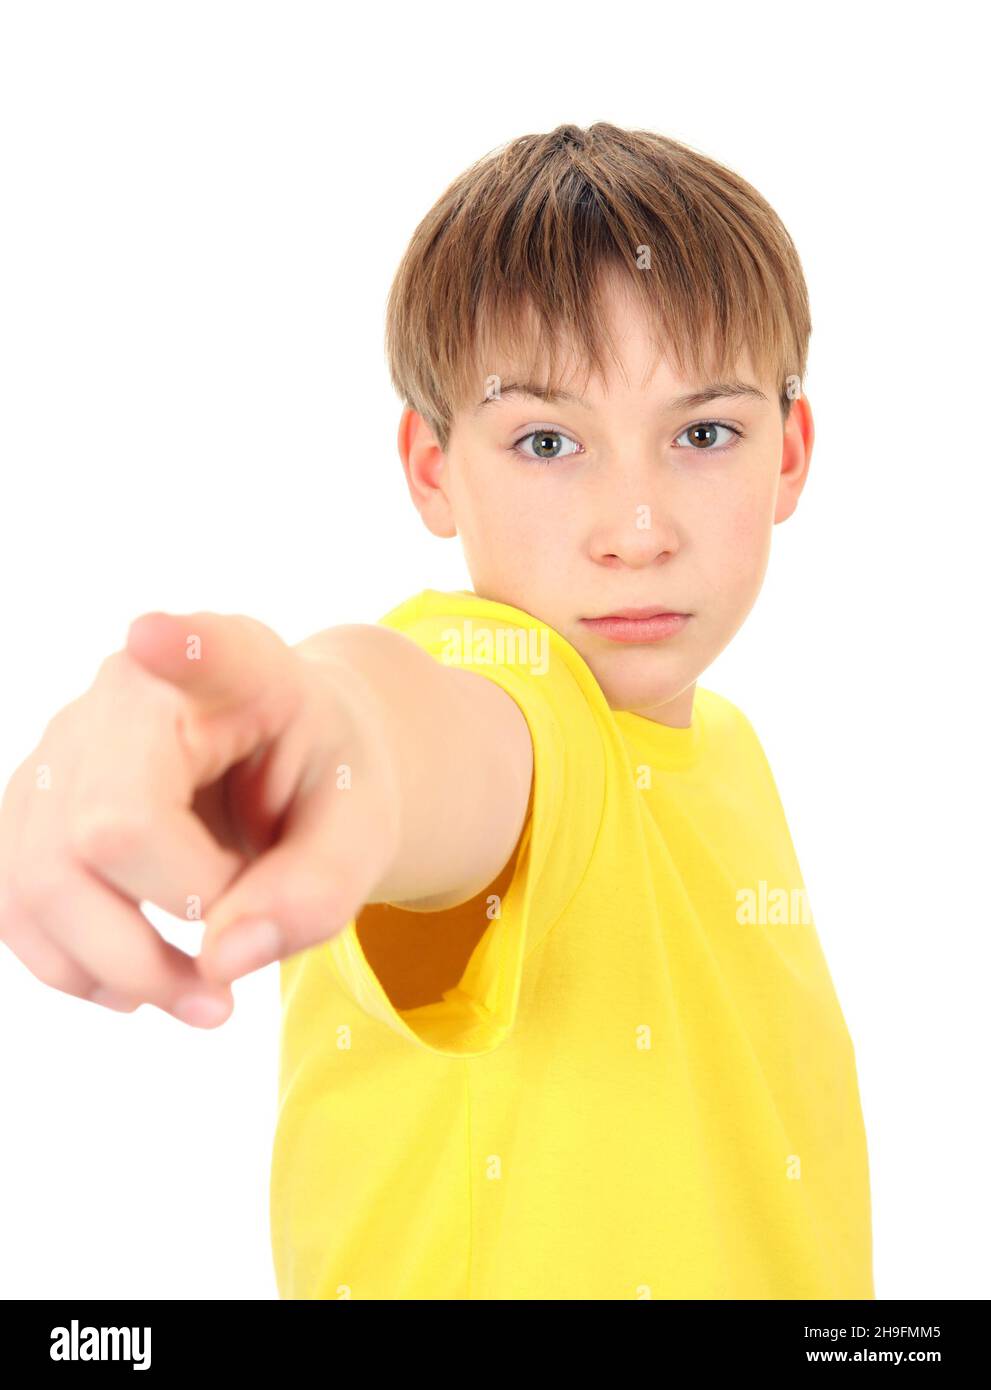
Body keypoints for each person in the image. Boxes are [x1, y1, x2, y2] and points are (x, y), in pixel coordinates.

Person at [0, 122, 874, 1300]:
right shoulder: (509, 693)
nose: (637, 526)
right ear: (431, 469)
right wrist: (301, 747)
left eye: (703, 433)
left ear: (790, 454)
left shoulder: (732, 751)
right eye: (548, 441)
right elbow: (405, 722)